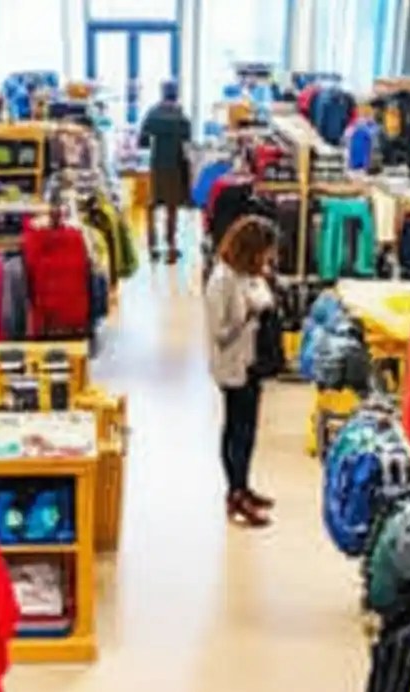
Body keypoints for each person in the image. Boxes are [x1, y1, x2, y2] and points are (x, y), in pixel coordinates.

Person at [204, 216, 278, 528]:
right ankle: (235, 493)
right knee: (237, 430)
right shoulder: (222, 280)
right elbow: (219, 332)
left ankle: (243, 486)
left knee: (247, 430)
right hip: (233, 365)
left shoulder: (247, 275)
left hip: (251, 363)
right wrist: (248, 316)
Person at [138, 80, 191, 263]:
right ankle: (171, 246)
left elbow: (142, 141)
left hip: (157, 164)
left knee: (152, 205)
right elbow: (187, 140)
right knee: (172, 207)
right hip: (175, 165)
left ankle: (152, 246)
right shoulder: (181, 116)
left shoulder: (153, 114)